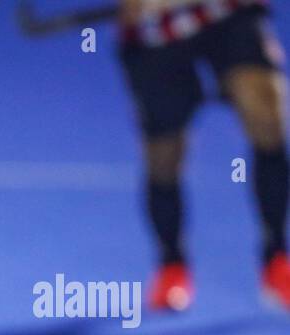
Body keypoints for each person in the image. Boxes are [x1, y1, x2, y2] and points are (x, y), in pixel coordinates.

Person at [118, 0, 290, 309]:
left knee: (266, 113)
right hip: (156, 33)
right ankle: (172, 264)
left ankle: (277, 258)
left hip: (228, 15)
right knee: (164, 154)